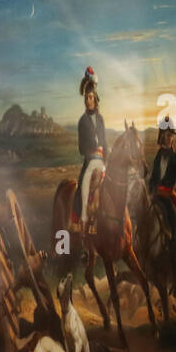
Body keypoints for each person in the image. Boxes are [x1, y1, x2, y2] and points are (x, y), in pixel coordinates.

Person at [149, 120, 176, 290]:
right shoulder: (157, 156)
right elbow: (152, 180)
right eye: (165, 136)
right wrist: (150, 193)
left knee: (174, 233)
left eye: (170, 136)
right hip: (156, 198)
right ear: (161, 137)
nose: (168, 139)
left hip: (169, 199)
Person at [73, 67, 107, 235]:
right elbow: (81, 147)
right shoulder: (82, 121)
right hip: (89, 160)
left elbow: (105, 142)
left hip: (102, 161)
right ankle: (83, 218)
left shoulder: (100, 119)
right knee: (83, 184)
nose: (88, 101)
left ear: (95, 99)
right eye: (86, 98)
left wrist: (104, 156)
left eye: (91, 97)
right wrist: (92, 152)